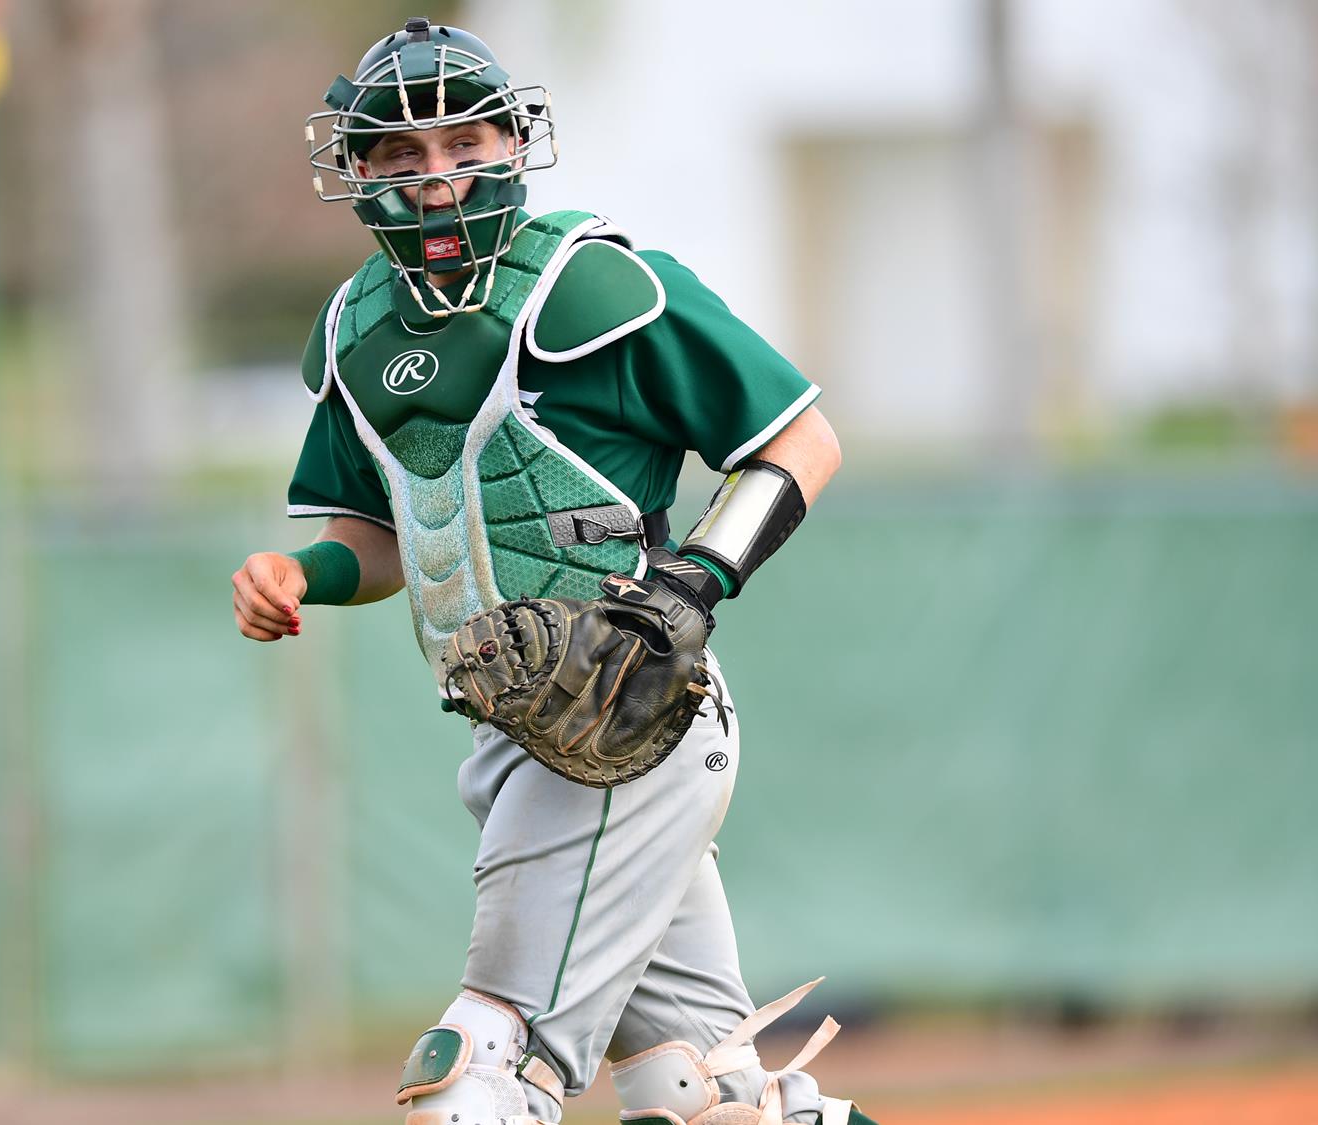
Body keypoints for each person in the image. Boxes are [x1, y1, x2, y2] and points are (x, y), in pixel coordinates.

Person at [233, 19, 876, 1124]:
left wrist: (693, 584)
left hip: (631, 711)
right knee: (704, 1099)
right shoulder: (355, 332)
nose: (437, 179)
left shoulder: (591, 288)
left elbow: (799, 440)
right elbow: (387, 539)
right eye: (401, 154)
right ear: (358, 173)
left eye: (465, 145)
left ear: (512, 147)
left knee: (474, 1074)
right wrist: (300, 573)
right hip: (512, 731)